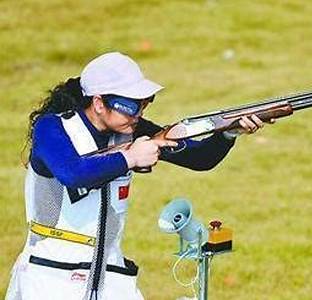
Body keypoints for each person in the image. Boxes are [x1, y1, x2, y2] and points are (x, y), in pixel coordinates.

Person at [6, 52, 267, 300]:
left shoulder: (133, 130)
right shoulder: (52, 127)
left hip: (111, 274)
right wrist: (130, 158)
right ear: (98, 103)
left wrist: (227, 134)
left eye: (144, 102)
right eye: (130, 104)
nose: (138, 112)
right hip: (51, 275)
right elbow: (73, 174)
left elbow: (200, 159)